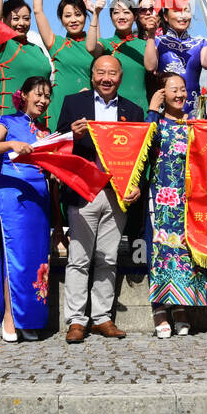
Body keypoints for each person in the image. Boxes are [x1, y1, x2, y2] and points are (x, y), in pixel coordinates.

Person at [56, 55, 146, 343]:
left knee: (107, 257)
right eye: (101, 72)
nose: (107, 78)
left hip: (116, 194)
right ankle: (76, 320)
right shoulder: (73, 103)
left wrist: (137, 186)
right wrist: (71, 134)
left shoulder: (133, 111)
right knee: (79, 258)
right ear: (92, 75)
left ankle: (102, 318)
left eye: (113, 73)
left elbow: (140, 156)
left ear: (121, 77)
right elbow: (56, 144)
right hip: (83, 191)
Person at [126, 74, 207, 337]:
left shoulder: (195, 122)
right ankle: (159, 308)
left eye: (183, 89)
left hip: (190, 198)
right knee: (160, 251)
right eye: (173, 89)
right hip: (161, 196)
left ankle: (181, 307)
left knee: (185, 251)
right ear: (162, 93)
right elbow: (140, 146)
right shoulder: (156, 122)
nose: (179, 94)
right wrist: (152, 110)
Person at [0, 75, 60, 341]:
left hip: (39, 199)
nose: (43, 100)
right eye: (38, 94)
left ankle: (30, 319)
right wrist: (11, 144)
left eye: (47, 96)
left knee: (38, 261)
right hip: (14, 197)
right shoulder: (7, 121)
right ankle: (10, 317)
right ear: (23, 95)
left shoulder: (45, 132)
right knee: (14, 258)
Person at [32, 0, 100, 130]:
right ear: (61, 20)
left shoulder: (95, 45)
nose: (73, 20)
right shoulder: (56, 44)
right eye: (67, 15)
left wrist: (95, 13)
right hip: (59, 106)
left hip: (89, 105)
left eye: (78, 14)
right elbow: (38, 10)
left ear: (85, 16)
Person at [146, 1, 207, 115]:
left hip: (194, 110)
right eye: (176, 11)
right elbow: (150, 66)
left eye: (186, 11)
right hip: (166, 109)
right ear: (165, 16)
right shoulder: (158, 41)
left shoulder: (200, 42)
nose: (183, 15)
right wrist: (151, 35)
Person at [0, 0, 52, 118]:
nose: (22, 23)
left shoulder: (37, 49)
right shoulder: (4, 45)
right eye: (15, 18)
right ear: (4, 20)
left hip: (40, 119)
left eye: (26, 18)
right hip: (11, 117)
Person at [90, 0, 155, 112]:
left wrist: (151, 35)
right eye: (116, 13)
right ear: (111, 17)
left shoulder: (145, 44)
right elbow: (91, 48)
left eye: (126, 12)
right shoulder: (106, 44)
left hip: (139, 108)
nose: (121, 17)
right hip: (110, 108)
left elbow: (151, 67)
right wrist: (95, 14)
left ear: (135, 17)